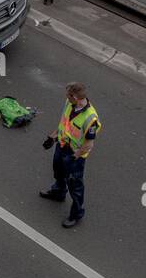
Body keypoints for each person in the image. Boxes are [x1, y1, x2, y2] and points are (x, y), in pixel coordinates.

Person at [40, 82, 101, 229]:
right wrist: (52, 137)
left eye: (69, 95)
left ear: (76, 97)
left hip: (75, 155)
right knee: (58, 171)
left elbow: (88, 144)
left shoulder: (90, 119)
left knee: (75, 185)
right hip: (61, 145)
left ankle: (77, 213)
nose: (66, 97)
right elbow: (64, 124)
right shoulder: (69, 103)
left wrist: (74, 157)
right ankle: (59, 192)